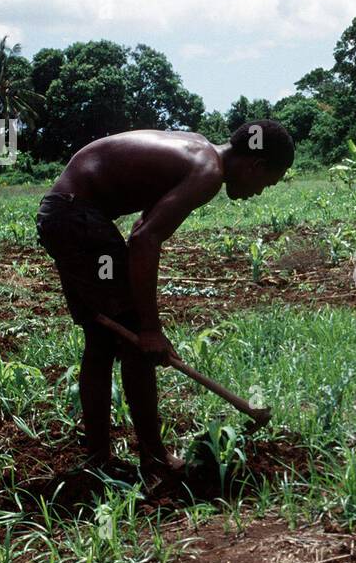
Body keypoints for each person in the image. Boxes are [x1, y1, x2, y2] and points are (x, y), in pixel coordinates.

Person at [36, 121, 293, 479]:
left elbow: (142, 227)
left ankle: (99, 460)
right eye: (268, 183)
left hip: (64, 214)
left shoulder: (200, 151)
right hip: (77, 218)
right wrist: (151, 328)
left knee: (103, 338)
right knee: (137, 342)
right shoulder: (208, 171)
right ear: (256, 166)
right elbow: (144, 240)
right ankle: (154, 460)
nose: (260, 192)